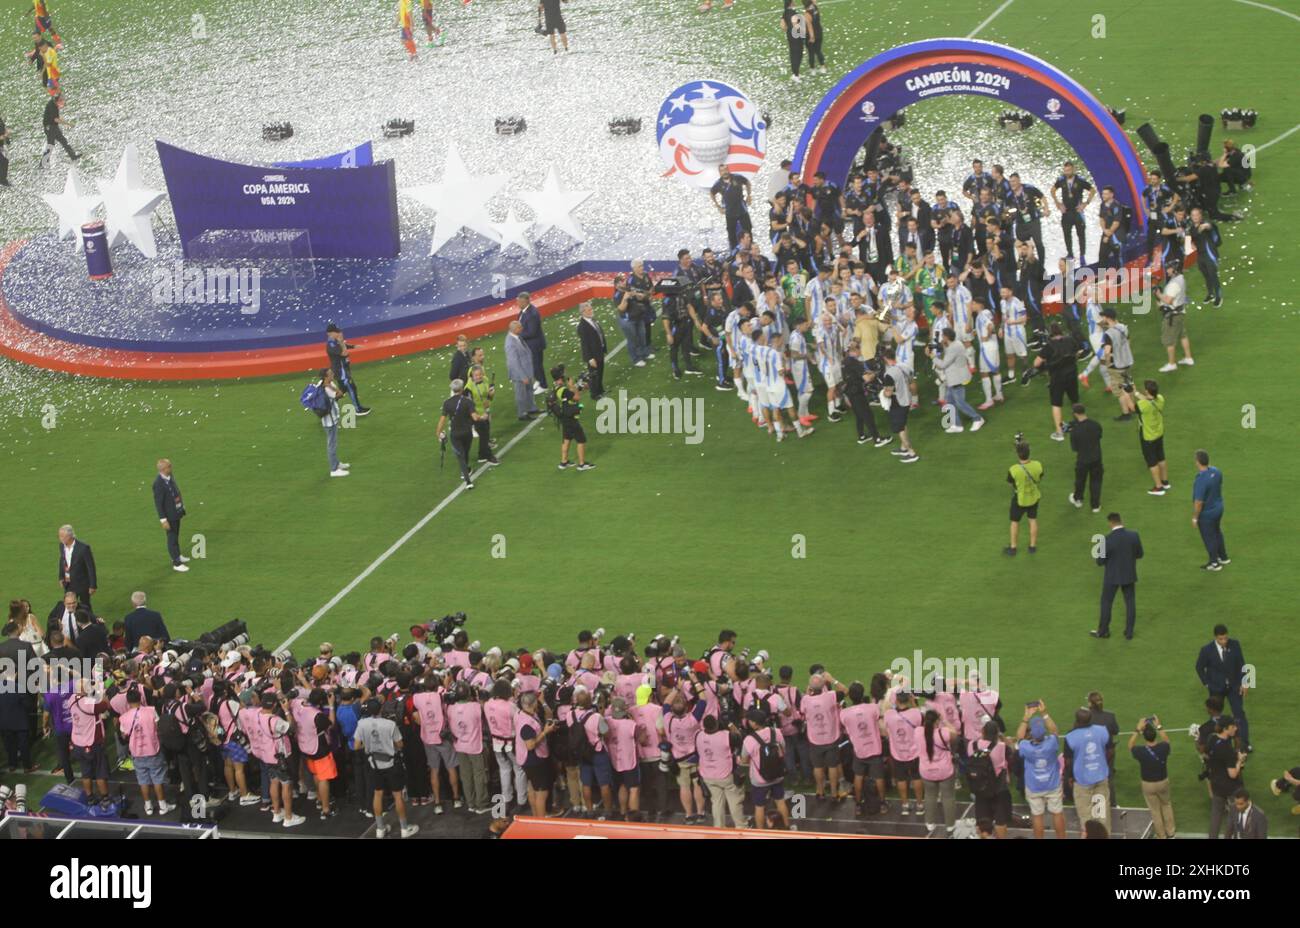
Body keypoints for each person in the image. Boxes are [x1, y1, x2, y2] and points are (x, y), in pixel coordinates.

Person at [353, 698, 417, 837]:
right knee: (397, 795)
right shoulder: (390, 724)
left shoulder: (362, 723)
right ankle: (404, 828)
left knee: (378, 794)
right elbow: (400, 744)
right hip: (391, 763)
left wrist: (369, 747)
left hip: (374, 764)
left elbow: (357, 746)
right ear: (381, 709)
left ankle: (380, 828)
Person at [1017, 703, 1067, 839]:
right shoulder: (1051, 743)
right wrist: (1044, 713)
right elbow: (1055, 730)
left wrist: (1025, 718)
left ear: (1031, 732)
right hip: (1052, 785)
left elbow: (1019, 737)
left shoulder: (1026, 747)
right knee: (1057, 813)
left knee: (1037, 816)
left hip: (1034, 786)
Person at [1196, 624, 1249, 751]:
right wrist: (1207, 683)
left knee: (1239, 714)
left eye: (1225, 638)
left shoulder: (1235, 645)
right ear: (1215, 637)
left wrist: (1245, 683)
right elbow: (1199, 667)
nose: (1224, 641)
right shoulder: (1206, 650)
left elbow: (1242, 664)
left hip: (1234, 687)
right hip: (1215, 688)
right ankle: (1213, 744)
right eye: (1221, 639)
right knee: (1215, 718)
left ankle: (1244, 745)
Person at [119, 687, 172, 816]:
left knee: (143, 780)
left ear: (128, 701)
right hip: (153, 750)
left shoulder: (124, 717)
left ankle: (148, 806)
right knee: (157, 779)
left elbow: (123, 735)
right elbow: (158, 727)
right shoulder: (151, 711)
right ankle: (162, 806)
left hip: (137, 753)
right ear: (141, 698)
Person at [1093, 512, 1143, 640]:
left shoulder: (1106, 540)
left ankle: (1103, 631)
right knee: (1130, 602)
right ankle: (1129, 632)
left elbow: (1099, 562)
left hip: (1112, 577)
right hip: (1129, 575)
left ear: (1110, 523)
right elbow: (1139, 554)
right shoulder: (1134, 536)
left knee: (1106, 602)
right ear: (1121, 521)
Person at [929, 325, 985, 433]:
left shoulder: (954, 348)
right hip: (953, 379)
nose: (941, 339)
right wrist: (938, 346)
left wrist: (932, 357)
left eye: (943, 337)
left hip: (957, 379)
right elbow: (946, 350)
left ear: (946, 337)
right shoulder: (955, 343)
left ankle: (977, 418)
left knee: (960, 403)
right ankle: (956, 425)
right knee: (949, 402)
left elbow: (943, 364)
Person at [1064, 708, 1111, 834]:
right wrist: (1102, 763)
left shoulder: (1071, 736)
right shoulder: (1102, 731)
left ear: (1077, 720)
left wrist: (1069, 777)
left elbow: (1067, 761)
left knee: (1086, 820)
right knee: (1101, 817)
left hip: (1082, 783)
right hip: (1100, 779)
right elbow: (1110, 751)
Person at [1129, 715, 1175, 838]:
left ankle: (1161, 836)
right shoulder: (1164, 747)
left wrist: (1137, 729)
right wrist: (1158, 725)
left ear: (1144, 737)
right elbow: (1166, 740)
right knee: (1166, 805)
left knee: (1155, 811)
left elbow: (1130, 745)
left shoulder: (1140, 751)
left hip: (1148, 784)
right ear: (1155, 734)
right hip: (1163, 782)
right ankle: (1171, 833)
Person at [916, 708, 959, 837]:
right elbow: (955, 733)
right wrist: (944, 720)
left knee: (929, 796)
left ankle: (929, 823)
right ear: (936, 721)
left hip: (926, 771)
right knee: (948, 797)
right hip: (944, 770)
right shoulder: (943, 732)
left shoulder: (918, 732)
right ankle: (950, 825)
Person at [435, 379, 484, 489]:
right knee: (465, 453)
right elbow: (475, 417)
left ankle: (468, 481)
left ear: (452, 389)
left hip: (455, 434)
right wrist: (483, 417)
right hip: (467, 432)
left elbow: (442, 420)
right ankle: (466, 473)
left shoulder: (447, 403)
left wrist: (438, 433)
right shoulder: (468, 401)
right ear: (462, 389)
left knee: (461, 456)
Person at [1204, 716, 1246, 838]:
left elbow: (1207, 755)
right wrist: (1239, 760)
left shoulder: (1212, 739)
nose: (1236, 728)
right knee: (1235, 815)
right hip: (1230, 787)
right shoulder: (1227, 749)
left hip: (1215, 784)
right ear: (1225, 729)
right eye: (1233, 727)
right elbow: (1232, 774)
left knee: (1216, 814)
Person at [551, 365, 595, 471]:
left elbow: (571, 396)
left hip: (564, 418)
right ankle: (581, 464)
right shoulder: (563, 389)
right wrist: (573, 386)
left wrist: (581, 387)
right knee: (581, 440)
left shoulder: (558, 387)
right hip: (570, 418)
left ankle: (564, 462)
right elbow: (576, 397)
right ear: (561, 376)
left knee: (566, 439)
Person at [1192, 449, 1229, 571]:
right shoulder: (1216, 471)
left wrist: (1195, 517)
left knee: (1209, 537)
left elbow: (1198, 502)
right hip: (1219, 508)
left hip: (1207, 514)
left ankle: (1214, 563)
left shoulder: (1201, 480)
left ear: (1198, 462)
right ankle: (1223, 557)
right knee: (1217, 532)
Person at [880, 346, 918, 462]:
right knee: (903, 423)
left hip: (898, 403)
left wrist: (882, 394)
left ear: (886, 359)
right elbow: (912, 383)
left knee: (900, 427)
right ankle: (903, 448)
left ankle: (911, 453)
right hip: (907, 400)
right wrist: (915, 398)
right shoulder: (906, 366)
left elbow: (889, 392)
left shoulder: (889, 374)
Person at [1004, 441, 1043, 556]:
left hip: (1019, 499)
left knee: (1015, 522)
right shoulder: (1037, 465)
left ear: (1018, 454)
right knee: (1032, 520)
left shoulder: (1013, 469)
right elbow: (1040, 477)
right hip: (1034, 497)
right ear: (1029, 453)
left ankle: (1013, 548)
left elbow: (1010, 483)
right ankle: (1032, 547)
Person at [153, 458, 190, 572]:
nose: (171, 467)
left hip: (176, 512)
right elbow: (158, 503)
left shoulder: (169, 476)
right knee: (172, 537)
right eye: (169, 466)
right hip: (169, 516)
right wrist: (163, 520)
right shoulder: (158, 484)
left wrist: (181, 506)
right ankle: (176, 563)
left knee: (175, 535)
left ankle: (177, 555)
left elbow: (175, 492)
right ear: (164, 469)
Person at [1097, 309, 1136, 420]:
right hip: (1127, 361)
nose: (1102, 319)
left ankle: (1127, 413)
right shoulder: (1123, 327)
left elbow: (1107, 351)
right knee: (1128, 385)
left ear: (1108, 318)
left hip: (1116, 365)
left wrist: (1108, 363)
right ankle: (1131, 408)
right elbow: (1128, 341)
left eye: (1103, 317)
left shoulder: (1108, 334)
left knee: (1120, 391)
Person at [1156, 261, 1194, 372]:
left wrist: (1159, 295)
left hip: (1173, 315)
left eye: (1168, 268)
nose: (1167, 270)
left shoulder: (1174, 284)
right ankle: (1188, 358)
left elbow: (1168, 300)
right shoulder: (1181, 278)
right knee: (1183, 335)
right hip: (1180, 312)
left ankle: (1172, 364)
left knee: (1169, 340)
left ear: (1174, 269)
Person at [325, 324, 370, 416]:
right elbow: (344, 353)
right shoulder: (331, 344)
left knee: (342, 391)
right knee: (351, 388)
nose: (338, 333)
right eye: (336, 332)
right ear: (330, 333)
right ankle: (358, 409)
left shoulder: (334, 342)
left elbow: (343, 346)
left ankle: (327, 408)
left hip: (342, 370)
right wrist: (341, 341)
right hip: (341, 371)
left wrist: (353, 346)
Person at [1067, 404, 1103, 512]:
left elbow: (1075, 448)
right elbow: (1099, 436)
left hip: (1083, 460)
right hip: (1096, 458)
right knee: (1096, 482)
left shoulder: (1075, 431)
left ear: (1075, 414)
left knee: (1080, 481)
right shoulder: (1096, 425)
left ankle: (1078, 499)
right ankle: (1095, 506)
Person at [1136, 381, 1168, 496]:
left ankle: (1159, 487)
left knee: (1152, 462)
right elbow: (1147, 399)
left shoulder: (1142, 405)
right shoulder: (1160, 398)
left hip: (1148, 436)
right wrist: (1135, 392)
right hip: (1159, 433)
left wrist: (1129, 394)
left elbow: (1131, 408)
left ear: (1147, 391)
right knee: (1161, 457)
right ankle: (1165, 482)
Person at [316, 369, 350, 478]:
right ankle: (334, 470)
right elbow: (340, 394)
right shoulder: (326, 388)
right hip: (329, 420)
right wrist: (332, 387)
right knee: (332, 444)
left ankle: (336, 463)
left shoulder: (322, 384)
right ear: (326, 376)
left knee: (333, 443)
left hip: (331, 418)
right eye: (331, 374)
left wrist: (331, 385)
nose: (333, 374)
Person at [710, 164, 752, 250]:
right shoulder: (718, 183)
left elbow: (747, 182)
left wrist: (749, 195)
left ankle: (750, 249)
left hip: (742, 210)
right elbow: (711, 193)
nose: (724, 172)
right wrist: (718, 206)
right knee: (731, 235)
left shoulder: (737, 177)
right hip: (730, 212)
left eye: (725, 169)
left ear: (728, 170)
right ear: (719, 173)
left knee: (748, 230)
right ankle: (734, 253)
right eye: (722, 170)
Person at [465, 363, 499, 466]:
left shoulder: (486, 380)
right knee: (484, 434)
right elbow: (468, 405)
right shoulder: (468, 388)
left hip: (485, 411)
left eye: (480, 374)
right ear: (472, 376)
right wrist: (478, 416)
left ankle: (482, 455)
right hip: (475, 414)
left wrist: (490, 396)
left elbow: (488, 395)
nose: (479, 376)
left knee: (486, 434)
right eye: (476, 375)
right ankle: (488, 455)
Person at [505, 321, 540, 420]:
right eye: (519, 327)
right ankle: (522, 413)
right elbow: (514, 362)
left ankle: (531, 408)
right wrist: (522, 376)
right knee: (521, 394)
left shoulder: (517, 337)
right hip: (519, 374)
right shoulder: (510, 343)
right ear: (514, 329)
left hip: (526, 370)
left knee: (529, 390)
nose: (522, 328)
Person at [57, 524, 96, 609]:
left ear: (69, 536)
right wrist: (61, 577)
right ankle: (72, 621)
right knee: (68, 604)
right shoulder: (61, 545)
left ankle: (88, 620)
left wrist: (93, 585)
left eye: (62, 536)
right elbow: (62, 560)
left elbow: (90, 567)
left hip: (82, 584)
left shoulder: (83, 548)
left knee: (85, 605)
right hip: (68, 583)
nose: (60, 538)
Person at [39, 92, 79, 170]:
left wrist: (66, 123)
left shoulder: (53, 103)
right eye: (62, 100)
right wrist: (67, 123)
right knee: (51, 145)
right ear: (57, 101)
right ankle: (43, 164)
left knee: (63, 141)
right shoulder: (52, 106)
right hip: (50, 128)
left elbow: (57, 117)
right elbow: (56, 119)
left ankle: (73, 156)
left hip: (54, 127)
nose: (63, 101)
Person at [576, 302, 607, 399]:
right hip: (593, 355)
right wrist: (590, 358)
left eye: (591, 309)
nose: (591, 311)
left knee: (600, 371)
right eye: (589, 310)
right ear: (583, 312)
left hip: (599, 351)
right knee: (594, 375)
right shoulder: (582, 326)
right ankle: (594, 394)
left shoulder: (591, 320)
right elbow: (585, 344)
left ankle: (600, 390)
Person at [779, 0, 809, 82]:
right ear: (791, 3)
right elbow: (796, 25)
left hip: (790, 36)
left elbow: (782, 26)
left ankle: (796, 73)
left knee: (793, 54)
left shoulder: (785, 12)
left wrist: (788, 32)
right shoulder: (793, 13)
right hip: (796, 36)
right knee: (798, 54)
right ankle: (796, 75)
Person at [802, 0, 825, 72]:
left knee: (811, 53)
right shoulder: (815, 7)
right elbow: (814, 1)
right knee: (818, 51)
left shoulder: (806, 14)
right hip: (819, 32)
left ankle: (813, 69)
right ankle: (823, 67)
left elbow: (809, 27)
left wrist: (812, 37)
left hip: (811, 35)